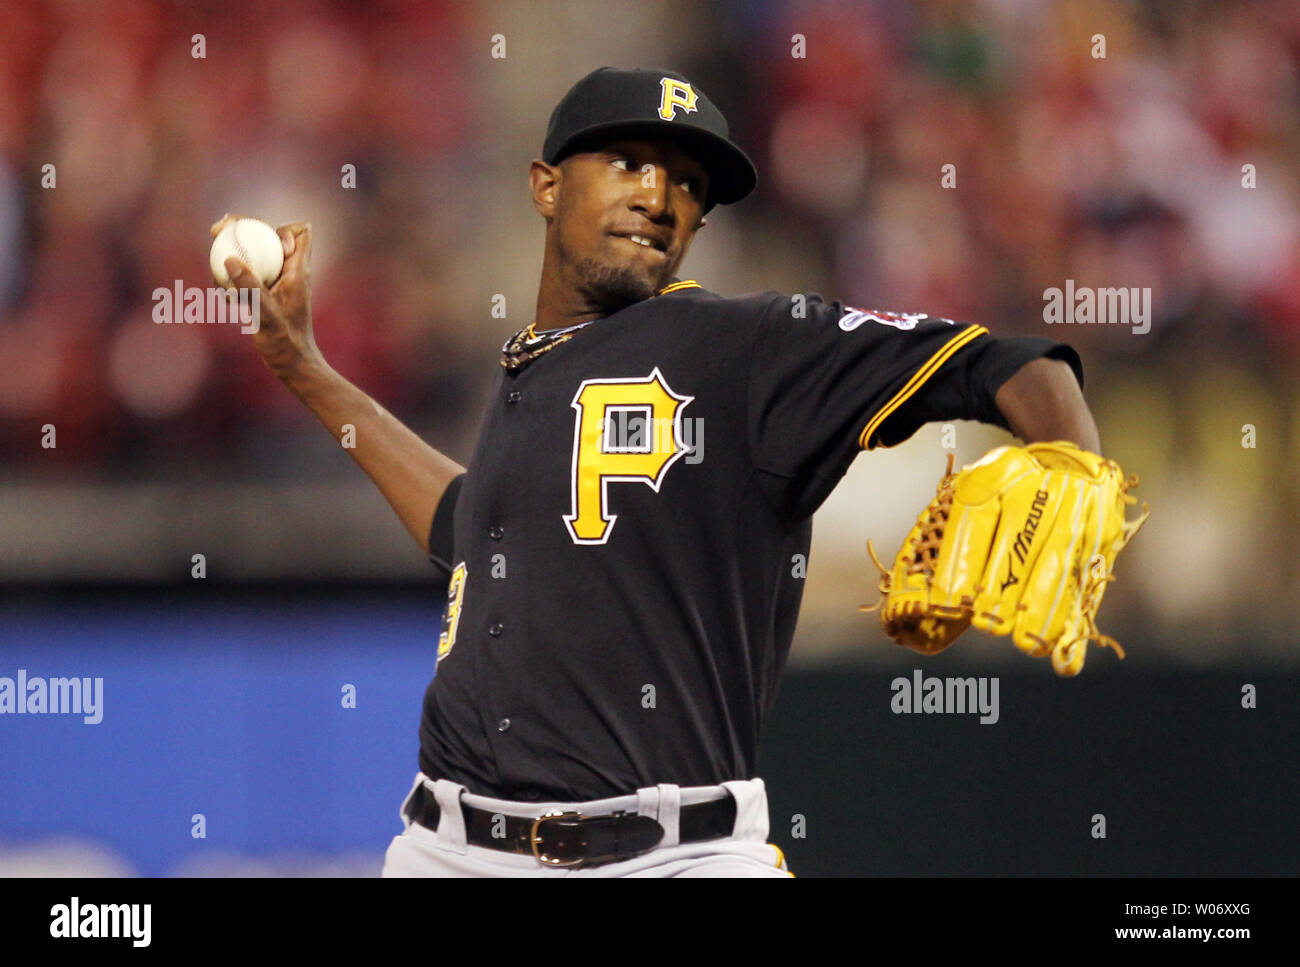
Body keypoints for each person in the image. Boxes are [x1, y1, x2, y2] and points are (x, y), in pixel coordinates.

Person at [214, 67, 1100, 877]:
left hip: (676, 857)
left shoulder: (746, 345)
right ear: (546, 186)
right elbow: (467, 532)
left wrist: (1074, 460)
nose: (660, 196)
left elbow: (1008, 362)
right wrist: (305, 370)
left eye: (687, 182)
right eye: (630, 161)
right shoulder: (536, 364)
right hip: (447, 849)